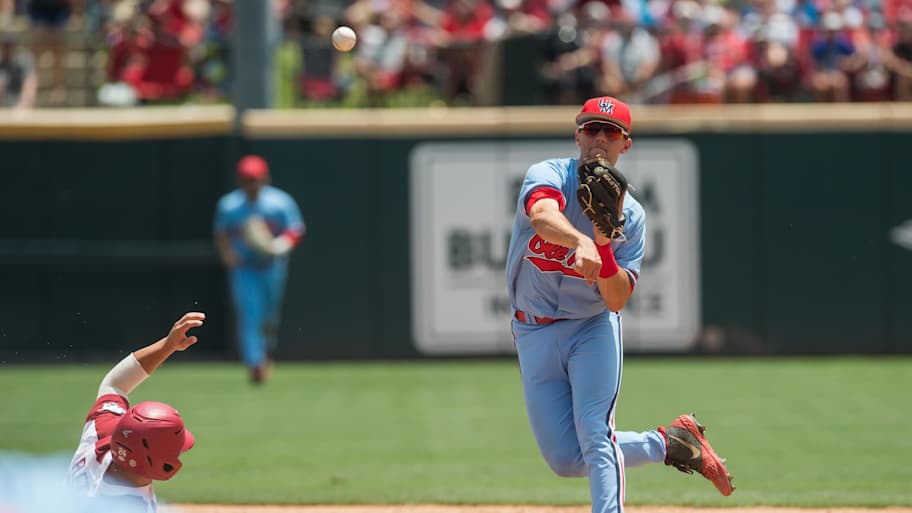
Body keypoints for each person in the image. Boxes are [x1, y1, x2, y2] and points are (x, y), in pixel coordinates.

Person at [505, 96, 734, 513]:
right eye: (591, 129)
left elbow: (616, 298)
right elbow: (540, 215)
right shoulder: (549, 174)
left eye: (610, 132)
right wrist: (580, 240)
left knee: (595, 433)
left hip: (590, 329)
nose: (599, 139)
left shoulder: (633, 215)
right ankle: (671, 443)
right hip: (532, 330)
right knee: (566, 460)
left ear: (625, 144)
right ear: (577, 134)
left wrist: (605, 245)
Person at [67, 312, 205, 512]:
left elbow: (115, 384)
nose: (179, 452)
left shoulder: (100, 434)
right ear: (151, 461)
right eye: (175, 449)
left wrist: (168, 345)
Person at [213, 154, 306, 384]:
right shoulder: (230, 205)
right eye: (247, 179)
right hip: (245, 269)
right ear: (240, 181)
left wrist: (281, 244)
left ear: (264, 178)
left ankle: (266, 353)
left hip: (272, 266)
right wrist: (227, 254)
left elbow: (296, 229)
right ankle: (255, 363)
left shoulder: (279, 202)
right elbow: (221, 232)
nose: (251, 184)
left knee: (269, 316)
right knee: (250, 314)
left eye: (255, 179)